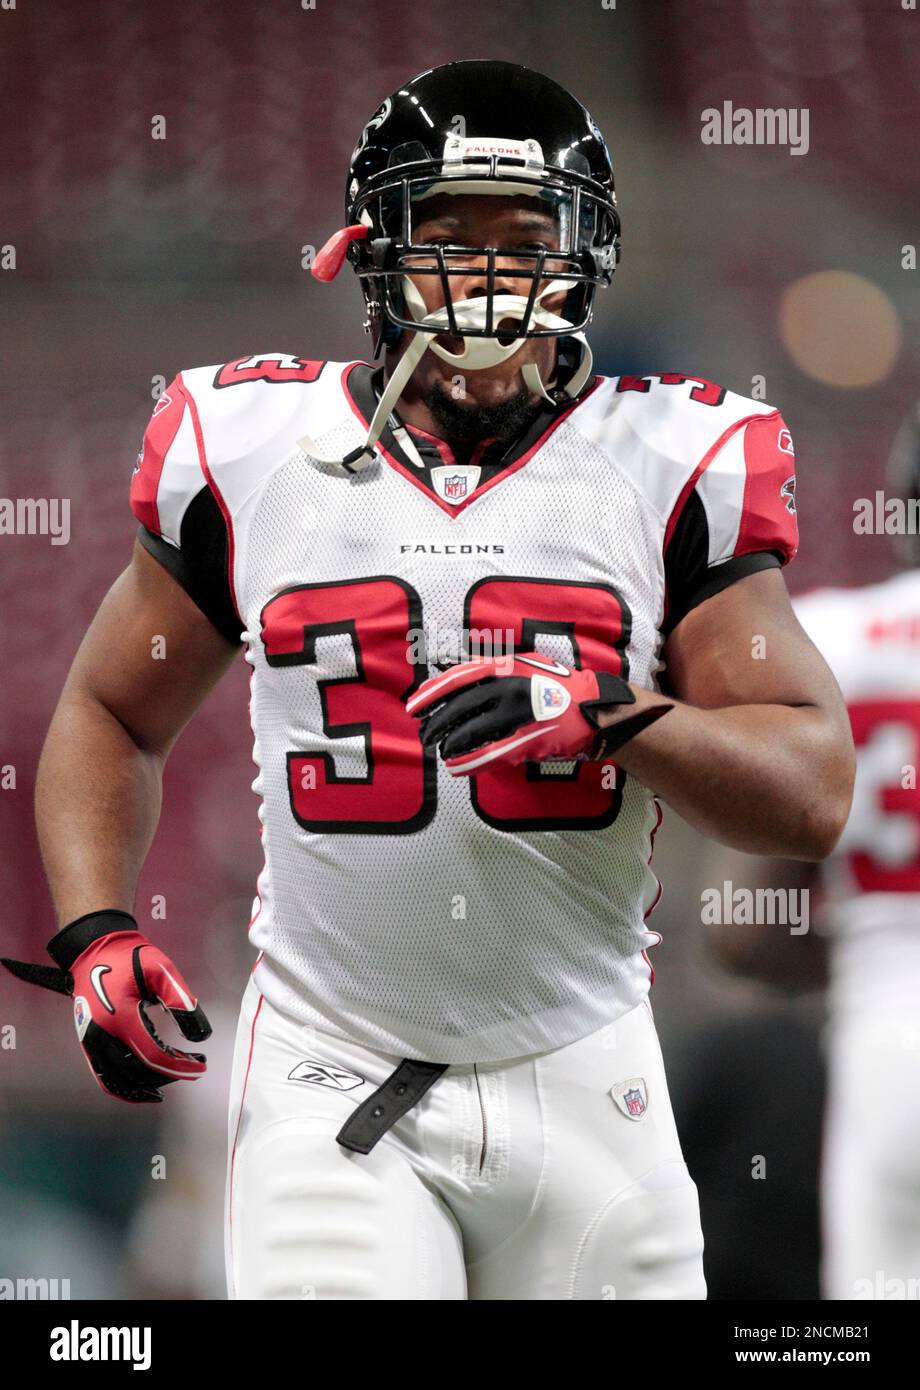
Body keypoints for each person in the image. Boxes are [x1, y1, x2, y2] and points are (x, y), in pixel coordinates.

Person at [2, 59, 854, 1301]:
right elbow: (109, 711)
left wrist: (612, 717)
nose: (488, 278)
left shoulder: (670, 460)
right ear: (370, 251)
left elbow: (809, 783)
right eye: (449, 239)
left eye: (525, 242)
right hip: (331, 1073)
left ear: (585, 258)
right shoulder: (250, 448)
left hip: (585, 1073)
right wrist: (93, 930)